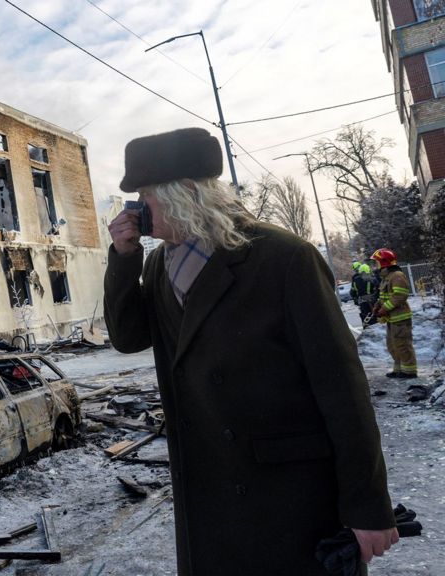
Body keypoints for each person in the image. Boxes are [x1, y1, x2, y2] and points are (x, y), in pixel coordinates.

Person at [104, 127, 397, 575]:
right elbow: (127, 337)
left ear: (184, 193)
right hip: (208, 490)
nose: (136, 209)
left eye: (144, 195)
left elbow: (342, 388)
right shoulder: (161, 265)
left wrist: (368, 507)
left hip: (288, 495)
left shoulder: (282, 257)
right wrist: (123, 258)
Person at [370, 248, 418, 378]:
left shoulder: (397, 276)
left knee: (402, 345)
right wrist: (377, 306)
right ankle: (399, 369)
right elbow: (384, 296)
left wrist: (384, 308)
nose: (375, 266)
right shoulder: (386, 278)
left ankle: (410, 371)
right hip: (392, 319)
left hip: (400, 318)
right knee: (393, 345)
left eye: (377, 262)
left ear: (384, 262)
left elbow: (400, 295)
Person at [350, 261, 378, 327]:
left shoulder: (355, 280)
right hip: (374, 302)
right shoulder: (373, 279)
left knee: (366, 319)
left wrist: (356, 300)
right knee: (375, 318)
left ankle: (367, 331)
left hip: (363, 303)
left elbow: (352, 293)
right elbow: (379, 289)